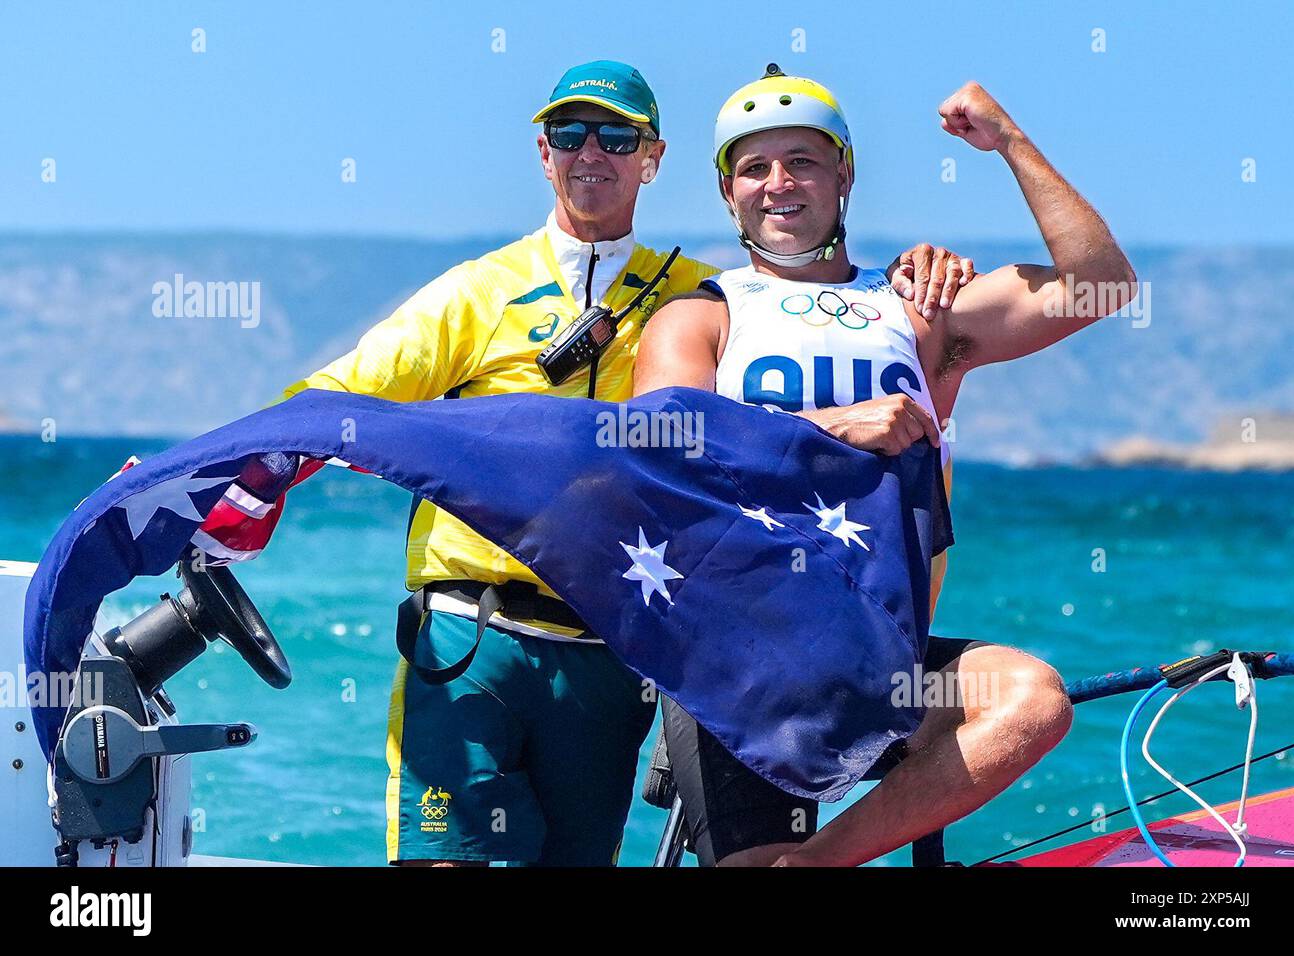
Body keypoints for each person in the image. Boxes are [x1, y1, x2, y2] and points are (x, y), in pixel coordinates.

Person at [212, 60, 972, 866]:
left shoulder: (704, 300)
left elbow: (813, 332)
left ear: (653, 158)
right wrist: (211, 473)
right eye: (569, 135)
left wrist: (912, 274)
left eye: (617, 136)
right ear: (544, 154)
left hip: (612, 655)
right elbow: (339, 399)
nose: (591, 153)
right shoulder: (478, 292)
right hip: (473, 643)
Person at [633, 65, 1137, 867]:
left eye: (802, 160)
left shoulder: (920, 310)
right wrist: (832, 426)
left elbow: (1103, 286)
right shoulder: (701, 315)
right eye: (754, 168)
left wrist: (1007, 142)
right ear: (728, 193)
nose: (779, 183)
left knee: (1032, 701)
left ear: (845, 173)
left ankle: (817, 862)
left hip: (887, 670)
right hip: (740, 669)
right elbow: (655, 453)